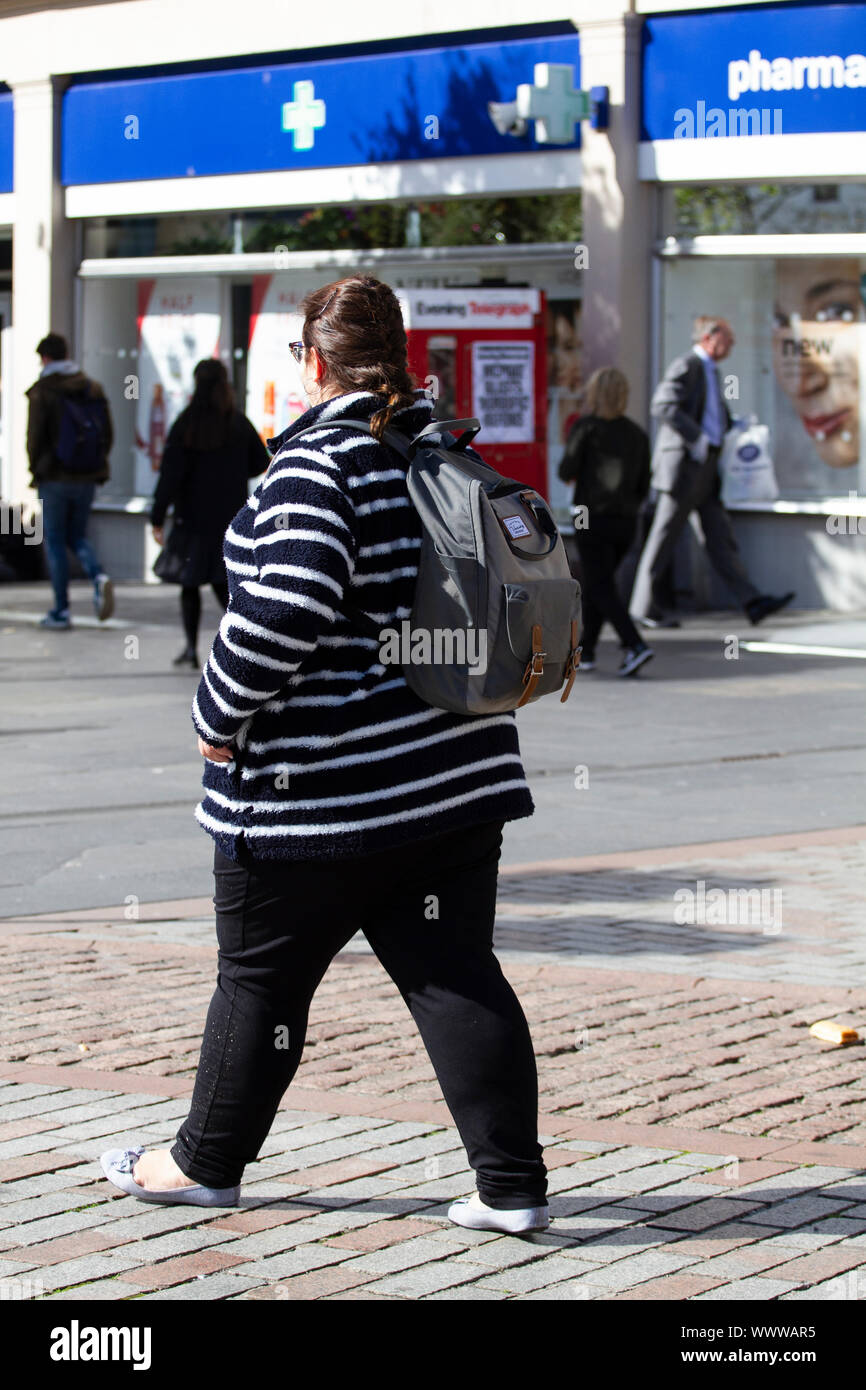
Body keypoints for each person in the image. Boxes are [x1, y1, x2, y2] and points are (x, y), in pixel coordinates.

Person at [101, 274, 549, 1236]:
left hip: (322, 796)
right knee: (456, 974)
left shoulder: (321, 462)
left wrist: (214, 711)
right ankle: (511, 1188)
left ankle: (203, 1165)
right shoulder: (442, 454)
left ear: (312, 361)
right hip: (454, 779)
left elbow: (288, 605)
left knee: (259, 980)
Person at [629, 316, 794, 629]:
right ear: (709, 337)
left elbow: (712, 416)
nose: (732, 345)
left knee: (720, 537)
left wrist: (736, 426)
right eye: (728, 338)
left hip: (706, 471)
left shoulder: (712, 372)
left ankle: (752, 601)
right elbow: (663, 406)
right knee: (663, 537)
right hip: (683, 468)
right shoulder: (688, 365)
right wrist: (696, 438)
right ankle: (642, 607)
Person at [151, 359, 269, 668]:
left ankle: (190, 649)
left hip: (191, 518)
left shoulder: (186, 424)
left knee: (189, 584)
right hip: (229, 518)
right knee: (224, 584)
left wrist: (157, 515)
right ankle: (247, 643)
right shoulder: (236, 423)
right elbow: (260, 462)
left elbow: (170, 474)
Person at [559, 366, 654, 676]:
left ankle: (635, 644)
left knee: (600, 585)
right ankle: (586, 652)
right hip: (625, 522)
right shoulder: (637, 434)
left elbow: (565, 469)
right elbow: (644, 484)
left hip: (590, 516)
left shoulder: (586, 428)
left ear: (595, 394)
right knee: (600, 584)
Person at [26, 332, 114, 629]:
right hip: (87, 477)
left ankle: (61, 611)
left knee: (55, 542)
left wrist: (35, 468)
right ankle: (98, 575)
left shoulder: (43, 390)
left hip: (54, 477)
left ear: (45, 358)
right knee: (78, 536)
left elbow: (34, 437)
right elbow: (107, 434)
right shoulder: (92, 387)